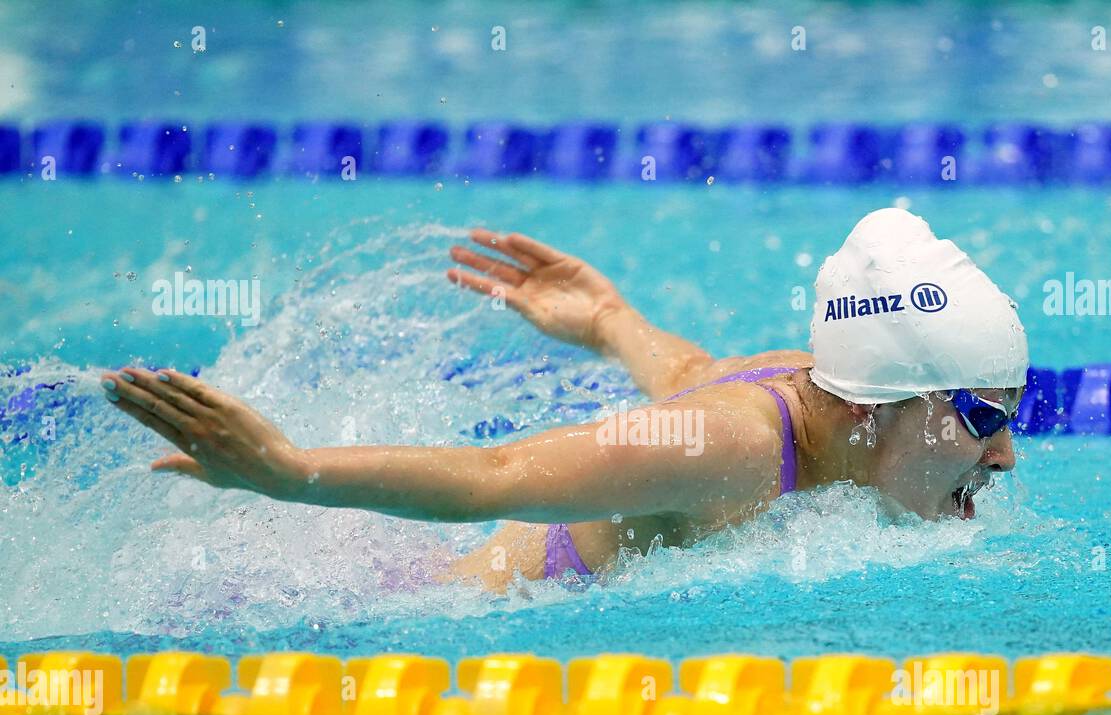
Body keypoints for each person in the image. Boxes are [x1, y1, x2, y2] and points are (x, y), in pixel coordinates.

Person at [100, 208, 1028, 591]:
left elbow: (688, 377)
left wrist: (611, 322)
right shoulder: (736, 448)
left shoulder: (812, 384)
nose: (1005, 457)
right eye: (983, 420)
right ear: (877, 408)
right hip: (414, 609)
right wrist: (287, 471)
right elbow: (496, 475)